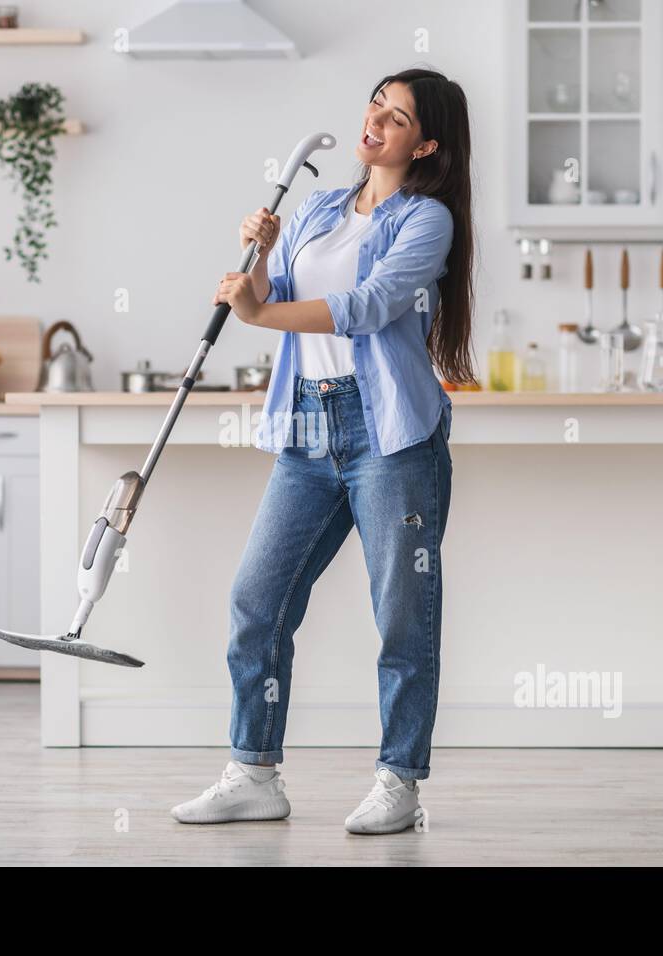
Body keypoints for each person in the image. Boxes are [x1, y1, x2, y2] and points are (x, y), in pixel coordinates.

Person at [172, 68, 475, 834]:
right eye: (377, 103)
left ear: (427, 143)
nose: (376, 119)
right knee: (257, 602)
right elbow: (269, 292)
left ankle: (400, 781)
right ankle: (253, 773)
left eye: (398, 116)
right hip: (308, 428)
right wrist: (262, 257)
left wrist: (260, 311)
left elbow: (367, 307)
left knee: (402, 616)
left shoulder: (426, 220)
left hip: (392, 438)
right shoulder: (317, 207)